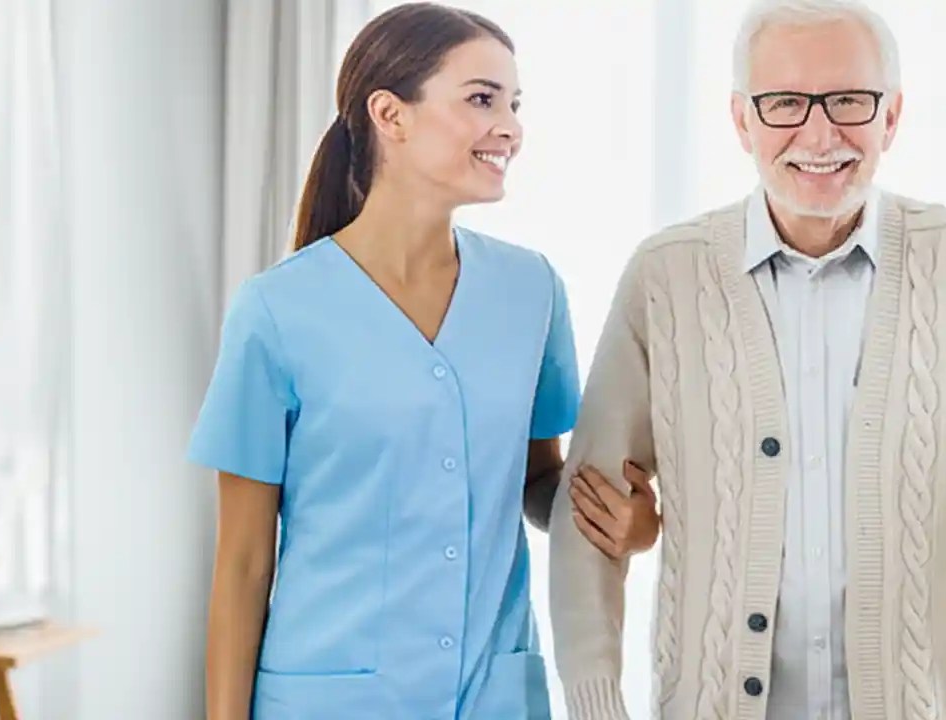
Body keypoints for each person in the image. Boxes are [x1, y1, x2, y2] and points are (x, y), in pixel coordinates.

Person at [549, 1, 946, 719]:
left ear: (892, 115)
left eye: (850, 100)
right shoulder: (664, 277)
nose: (820, 134)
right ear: (742, 120)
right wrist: (596, 707)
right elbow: (590, 512)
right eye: (785, 103)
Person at [187, 4, 657, 719]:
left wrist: (622, 523)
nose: (510, 127)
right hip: (328, 699)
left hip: (492, 695)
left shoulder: (530, 290)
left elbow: (536, 480)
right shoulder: (277, 311)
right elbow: (245, 563)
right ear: (390, 114)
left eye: (515, 104)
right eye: (482, 99)